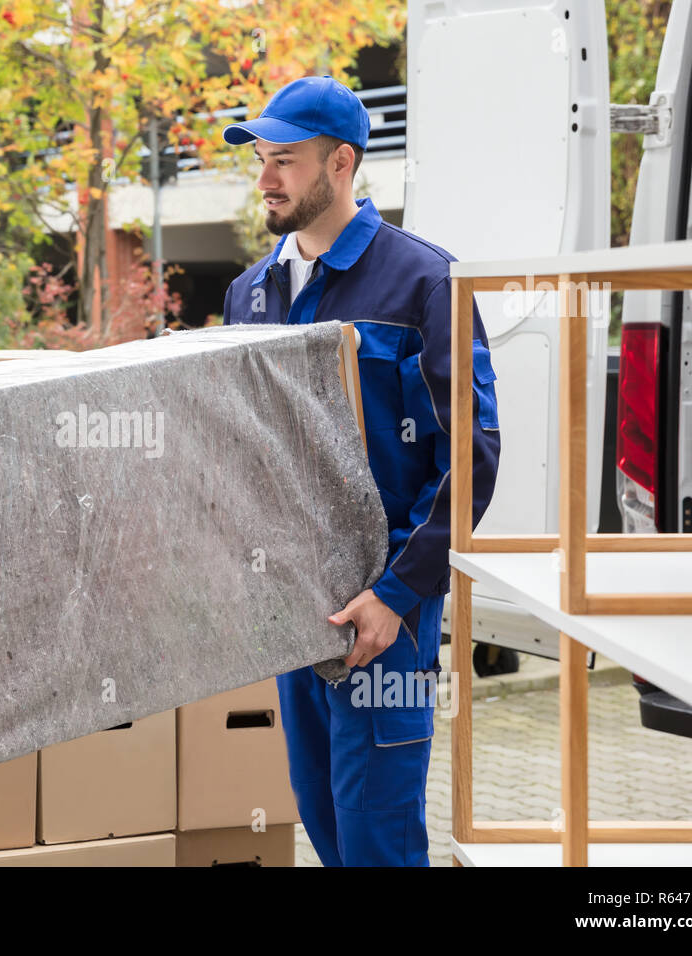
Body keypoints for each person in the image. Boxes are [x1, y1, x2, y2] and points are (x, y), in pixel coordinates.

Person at [221, 76, 501, 865]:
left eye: (286, 162)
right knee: (324, 821)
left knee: (377, 836)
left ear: (341, 163)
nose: (266, 179)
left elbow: (471, 457)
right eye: (262, 161)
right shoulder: (250, 295)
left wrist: (396, 594)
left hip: (387, 621)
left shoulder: (424, 283)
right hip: (292, 616)